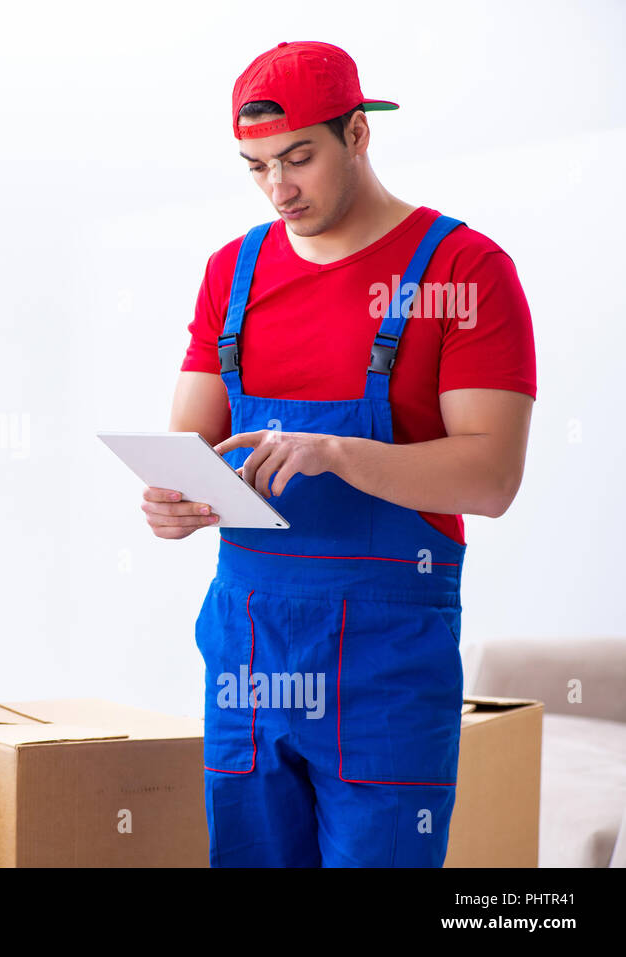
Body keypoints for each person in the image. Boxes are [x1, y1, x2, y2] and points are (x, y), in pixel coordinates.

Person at [142, 40, 536, 866]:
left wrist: (339, 452)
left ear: (358, 133)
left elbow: (493, 477)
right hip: (246, 652)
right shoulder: (235, 272)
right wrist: (172, 498)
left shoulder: (461, 269)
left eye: (298, 157)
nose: (278, 187)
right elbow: (190, 442)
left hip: (384, 661)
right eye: (255, 166)